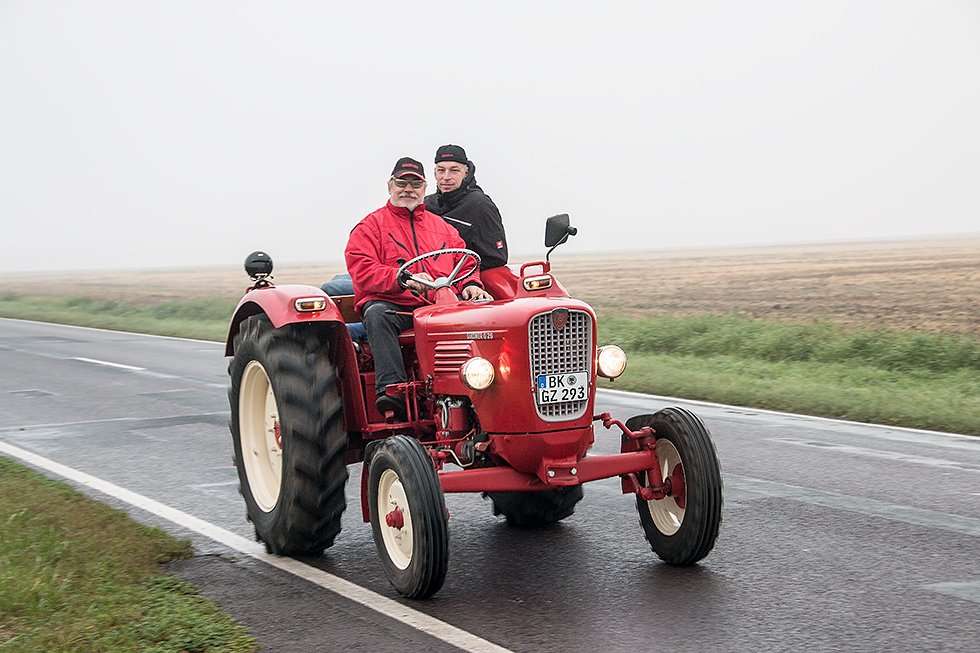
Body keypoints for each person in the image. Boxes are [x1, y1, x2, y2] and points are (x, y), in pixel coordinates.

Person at [345, 157, 492, 419]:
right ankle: (393, 392)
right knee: (377, 314)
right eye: (402, 183)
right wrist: (402, 279)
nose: (408, 189)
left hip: (438, 306)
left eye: (415, 183)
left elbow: (465, 259)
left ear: (424, 189)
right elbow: (362, 269)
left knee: (485, 314)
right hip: (397, 305)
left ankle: (482, 387)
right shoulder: (370, 227)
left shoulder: (442, 228)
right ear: (390, 186)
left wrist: (470, 284)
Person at [424, 144, 508, 271]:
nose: (446, 177)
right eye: (441, 170)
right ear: (435, 173)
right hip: (427, 281)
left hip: (466, 282)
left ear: (466, 172)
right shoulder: (426, 205)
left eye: (454, 170)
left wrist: (459, 274)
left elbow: (496, 258)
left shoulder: (480, 205)